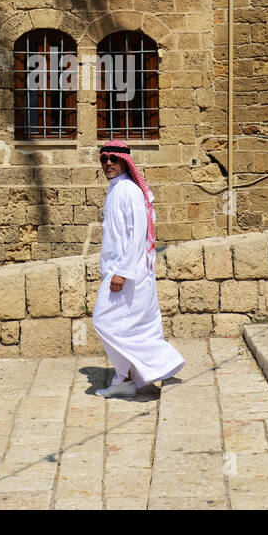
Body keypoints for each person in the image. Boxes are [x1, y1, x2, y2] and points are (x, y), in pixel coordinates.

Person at [91, 140, 185, 398]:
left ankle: (159, 362)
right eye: (103, 159)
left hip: (127, 272)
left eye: (113, 158)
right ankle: (125, 378)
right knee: (126, 326)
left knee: (103, 321)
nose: (108, 163)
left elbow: (138, 235)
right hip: (119, 270)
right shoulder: (115, 189)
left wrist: (123, 271)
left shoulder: (129, 191)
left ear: (124, 161)